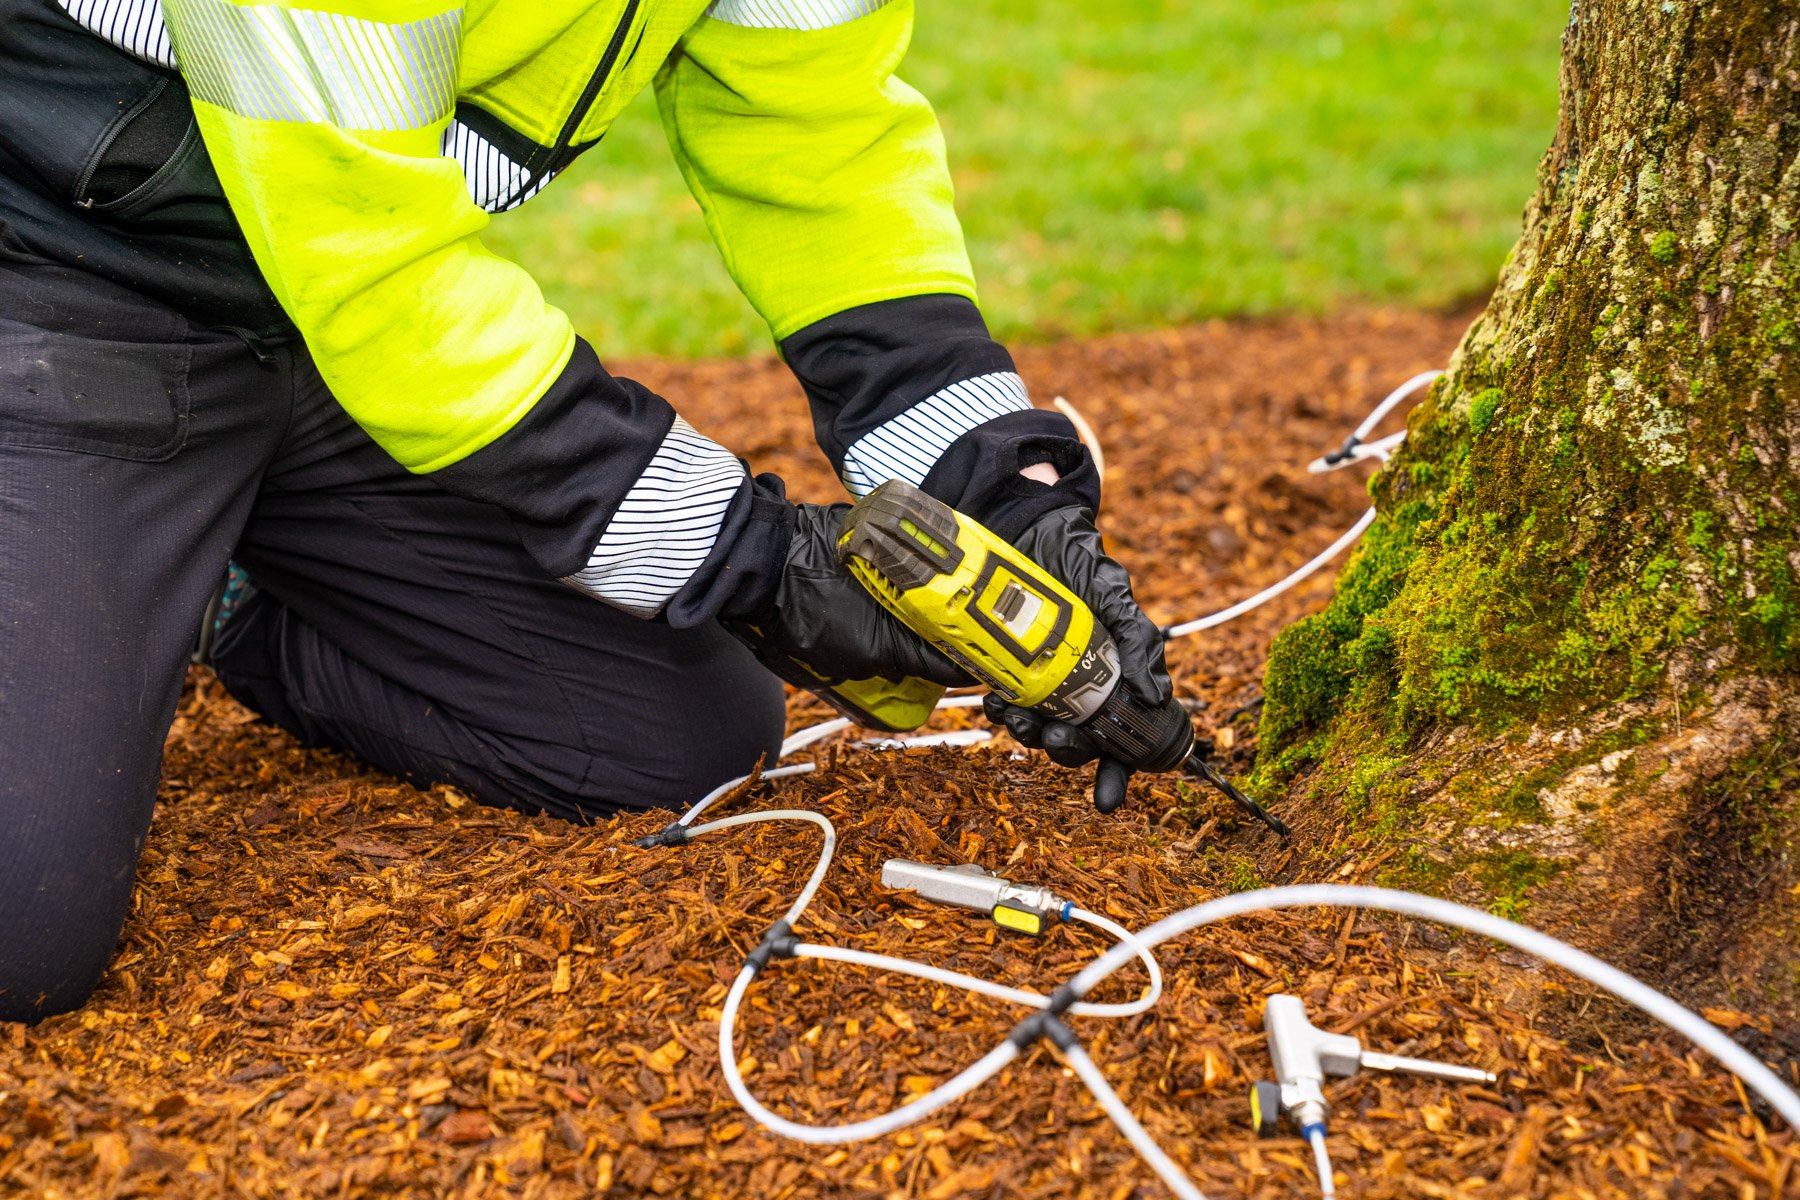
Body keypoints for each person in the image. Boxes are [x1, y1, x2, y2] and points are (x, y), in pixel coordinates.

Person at [0, 0, 1171, 1022]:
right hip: (62, 273)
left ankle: (224, 588)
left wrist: (1007, 490)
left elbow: (825, 150)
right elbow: (377, 269)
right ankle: (127, 532)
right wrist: (751, 559)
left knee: (670, 733)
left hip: (315, 316)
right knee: (22, 912)